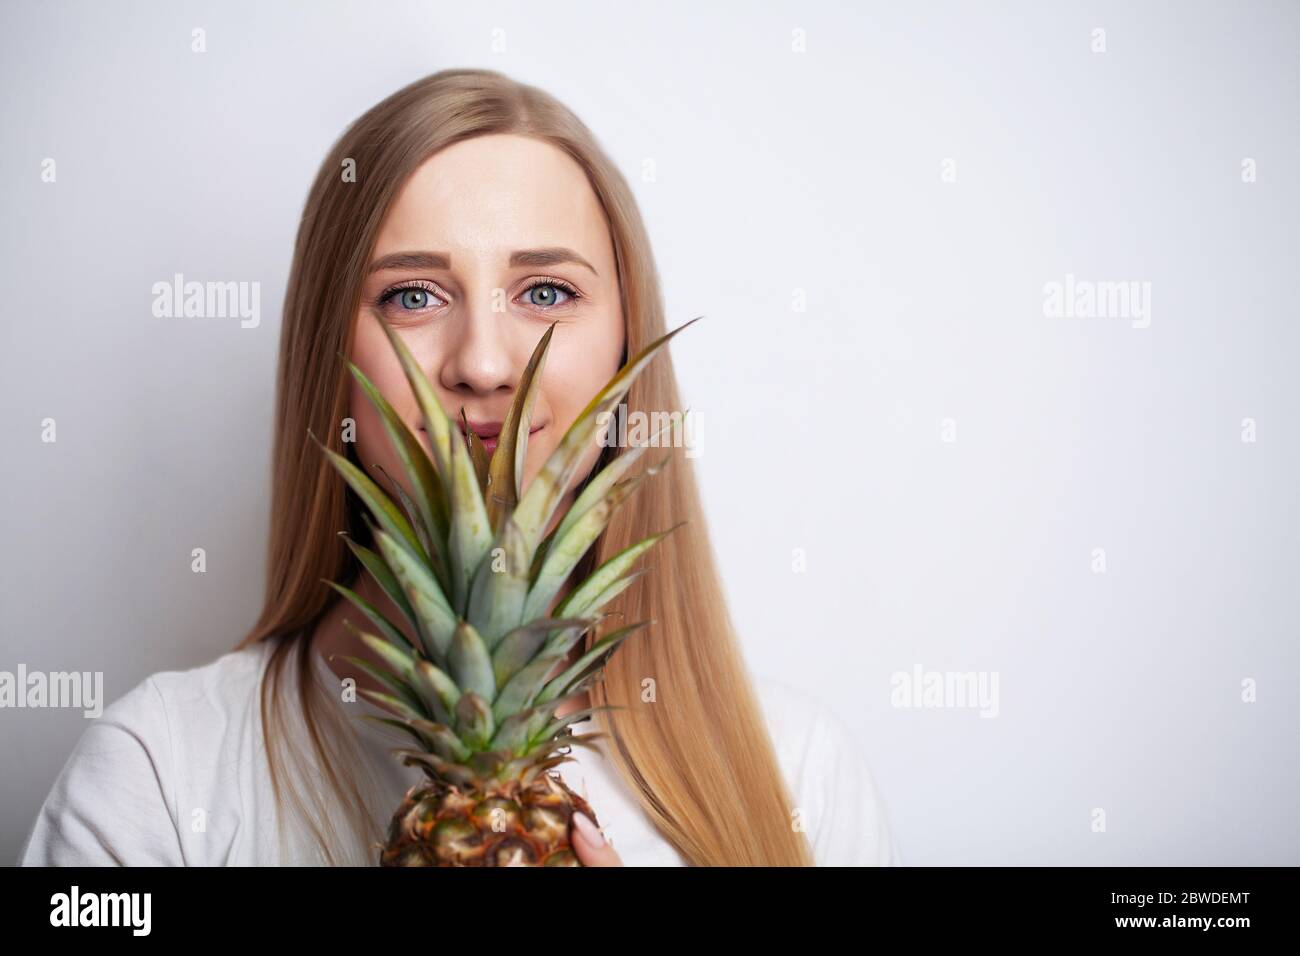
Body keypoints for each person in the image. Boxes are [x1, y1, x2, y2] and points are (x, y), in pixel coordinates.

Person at [19, 69, 898, 867]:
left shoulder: (799, 780)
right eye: (412, 295)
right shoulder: (156, 782)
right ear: (331, 359)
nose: (483, 363)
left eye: (546, 292)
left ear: (628, 349)